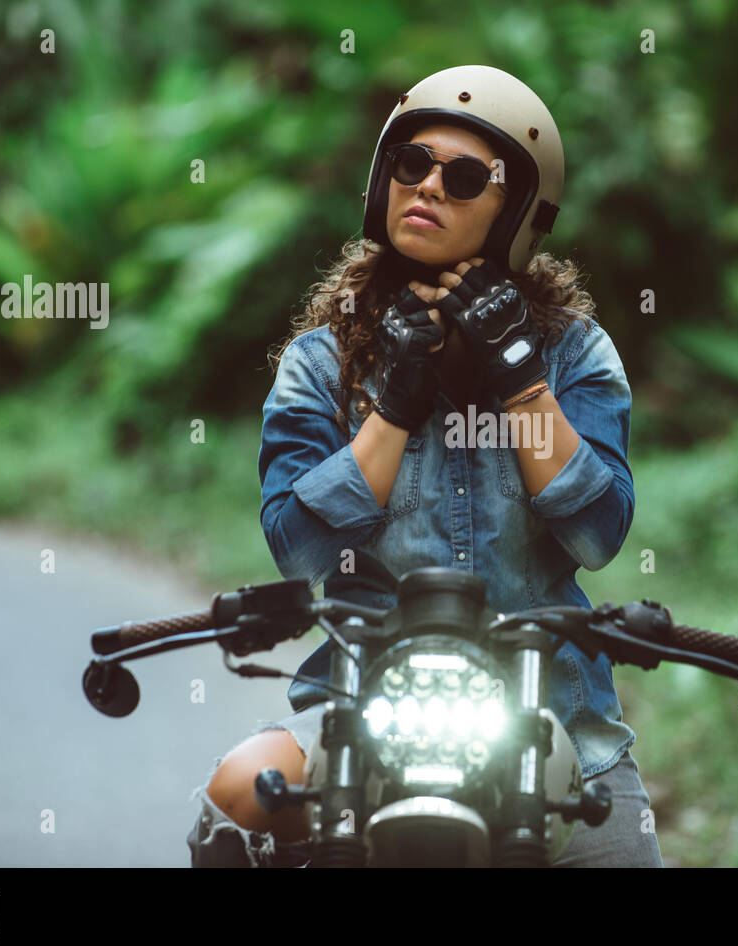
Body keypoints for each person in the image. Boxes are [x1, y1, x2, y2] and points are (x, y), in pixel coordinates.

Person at [187, 64, 662, 867]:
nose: (430, 185)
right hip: (362, 704)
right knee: (238, 792)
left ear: (514, 211)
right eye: (412, 164)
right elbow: (300, 548)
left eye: (465, 176)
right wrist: (396, 404)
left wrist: (518, 373)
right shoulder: (321, 361)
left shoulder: (574, 352)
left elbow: (596, 532)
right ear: (383, 181)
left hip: (550, 709)